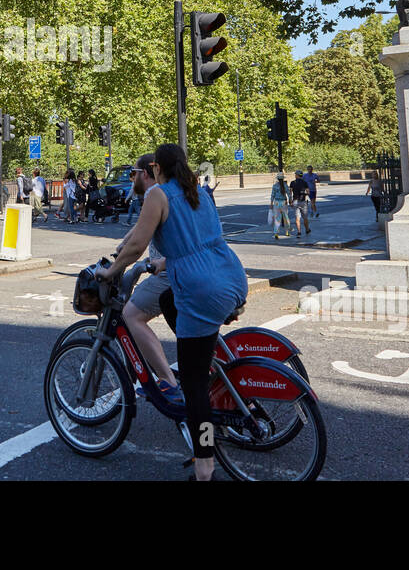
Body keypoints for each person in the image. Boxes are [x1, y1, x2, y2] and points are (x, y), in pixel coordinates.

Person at [97, 143, 248, 481]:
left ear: (156, 166)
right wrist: (162, 262)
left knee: (194, 388)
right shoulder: (198, 192)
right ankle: (205, 362)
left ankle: (205, 463)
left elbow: (136, 245)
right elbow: (197, 242)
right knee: (168, 305)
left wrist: (110, 272)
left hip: (201, 290)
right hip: (230, 275)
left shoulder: (158, 195)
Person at [117, 154, 182, 405]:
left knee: (131, 315)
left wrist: (115, 268)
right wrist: (122, 245)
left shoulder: (156, 194)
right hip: (213, 271)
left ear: (147, 172)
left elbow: (137, 245)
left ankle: (167, 381)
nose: (132, 178)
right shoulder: (181, 192)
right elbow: (139, 229)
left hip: (172, 274)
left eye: (133, 173)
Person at [288, 170, 311, 237]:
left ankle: (299, 232)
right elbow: (308, 192)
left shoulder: (292, 182)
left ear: (297, 175)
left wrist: (290, 201)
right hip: (303, 201)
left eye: (295, 174)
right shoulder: (304, 182)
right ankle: (307, 230)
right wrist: (304, 194)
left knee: (297, 218)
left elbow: (290, 193)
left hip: (295, 201)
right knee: (305, 217)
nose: (295, 175)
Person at [270, 173, 292, 239]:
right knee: (286, 217)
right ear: (283, 178)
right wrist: (290, 200)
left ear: (277, 178)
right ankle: (287, 231)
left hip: (276, 202)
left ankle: (276, 232)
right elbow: (289, 194)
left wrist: (271, 203)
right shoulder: (285, 185)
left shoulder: (275, 186)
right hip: (284, 202)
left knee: (277, 218)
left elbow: (272, 195)